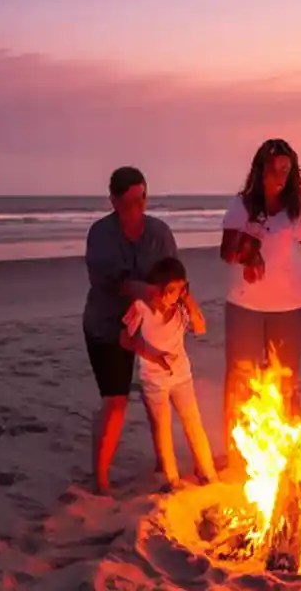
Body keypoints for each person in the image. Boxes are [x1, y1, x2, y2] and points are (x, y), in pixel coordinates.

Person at [220, 138, 301, 469]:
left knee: (286, 380)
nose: (280, 177)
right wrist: (249, 254)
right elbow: (225, 250)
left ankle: (285, 452)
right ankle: (235, 452)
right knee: (239, 378)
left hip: (289, 307)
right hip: (245, 305)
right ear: (260, 170)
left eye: (286, 170)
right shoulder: (242, 206)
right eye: (274, 170)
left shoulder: (297, 210)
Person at [83, 166, 177, 495]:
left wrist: (182, 305)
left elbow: (173, 276)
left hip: (153, 324)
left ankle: (163, 461)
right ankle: (101, 478)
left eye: (141, 200)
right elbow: (112, 282)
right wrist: (143, 290)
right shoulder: (100, 235)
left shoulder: (159, 232)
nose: (136, 209)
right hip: (107, 325)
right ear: (113, 201)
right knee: (116, 401)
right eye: (128, 203)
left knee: (156, 393)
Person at [120, 257, 219, 490]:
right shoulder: (141, 308)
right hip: (154, 378)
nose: (176, 295)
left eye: (181, 289)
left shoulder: (181, 309)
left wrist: (188, 299)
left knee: (193, 423)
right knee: (162, 428)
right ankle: (172, 479)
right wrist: (154, 357)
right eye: (172, 289)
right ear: (159, 288)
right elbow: (125, 339)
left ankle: (208, 473)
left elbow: (201, 328)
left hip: (182, 374)